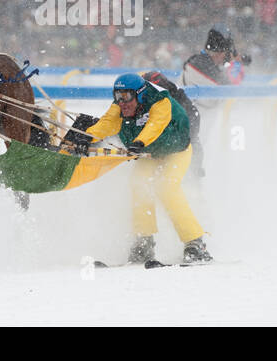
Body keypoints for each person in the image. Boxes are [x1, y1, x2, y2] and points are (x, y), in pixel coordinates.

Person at [84, 73, 211, 264]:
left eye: (126, 97)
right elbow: (108, 123)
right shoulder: (120, 106)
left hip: (177, 151)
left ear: (140, 94)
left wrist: (140, 141)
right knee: (138, 184)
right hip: (149, 152)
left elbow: (156, 124)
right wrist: (86, 136)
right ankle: (144, 242)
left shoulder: (160, 101)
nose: (121, 102)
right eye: (117, 96)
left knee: (166, 188)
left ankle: (195, 242)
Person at [182, 25, 250, 86]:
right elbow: (228, 92)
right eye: (228, 53)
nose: (229, 58)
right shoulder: (207, 69)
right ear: (221, 53)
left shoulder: (196, 60)